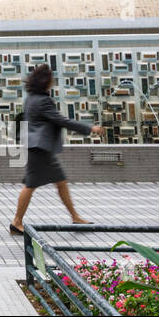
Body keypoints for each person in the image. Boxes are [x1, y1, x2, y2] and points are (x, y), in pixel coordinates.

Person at [10, 63, 103, 235]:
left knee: (60, 182)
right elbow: (62, 121)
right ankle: (16, 222)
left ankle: (75, 217)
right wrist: (90, 128)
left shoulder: (30, 98)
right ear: (46, 81)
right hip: (39, 148)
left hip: (38, 147)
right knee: (30, 185)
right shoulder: (43, 101)